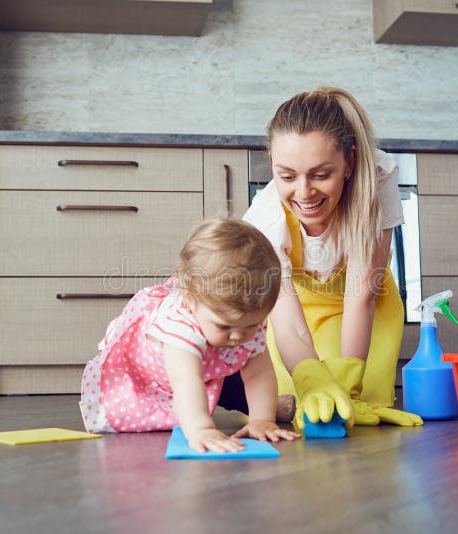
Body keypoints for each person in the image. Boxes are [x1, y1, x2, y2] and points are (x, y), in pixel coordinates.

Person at [220, 87, 423, 430]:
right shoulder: (264, 220)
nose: (303, 193)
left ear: (350, 162)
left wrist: (350, 386)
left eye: (320, 174)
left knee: (362, 409)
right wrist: (313, 378)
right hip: (297, 310)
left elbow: (362, 293)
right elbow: (285, 319)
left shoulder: (378, 177)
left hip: (366, 298)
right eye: (287, 176)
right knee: (301, 403)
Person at [80, 218, 300, 452]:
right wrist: (201, 428)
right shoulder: (180, 325)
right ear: (191, 301)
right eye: (225, 327)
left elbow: (259, 374)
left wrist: (262, 419)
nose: (238, 336)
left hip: (207, 365)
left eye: (250, 326)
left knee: (230, 367)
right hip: (144, 371)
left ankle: (265, 407)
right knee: (188, 389)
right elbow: (186, 380)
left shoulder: (246, 320)